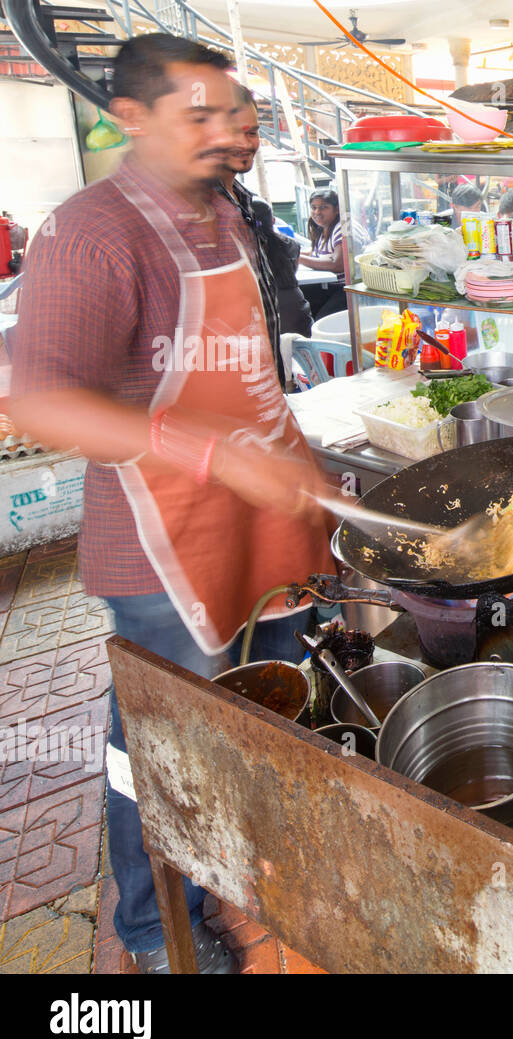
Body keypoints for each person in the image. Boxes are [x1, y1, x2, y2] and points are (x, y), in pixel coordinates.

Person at [8, 32, 336, 974]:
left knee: (268, 705)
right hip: (164, 541)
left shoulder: (221, 215)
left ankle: (244, 856)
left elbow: (247, 374)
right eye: (198, 115)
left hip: (271, 517)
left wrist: (297, 458)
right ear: (130, 118)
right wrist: (210, 453)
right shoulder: (90, 232)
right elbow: (38, 398)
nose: (224, 132)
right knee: (158, 748)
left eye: (229, 113)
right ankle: (157, 927)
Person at [219, 83, 312, 376]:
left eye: (252, 132)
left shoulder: (245, 200)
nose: (246, 143)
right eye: (233, 133)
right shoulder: (197, 208)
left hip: (264, 367)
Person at [299, 188, 346, 318]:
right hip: (328, 288)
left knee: (319, 319)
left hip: (345, 290)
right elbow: (316, 254)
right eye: (314, 207)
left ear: (336, 209)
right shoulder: (323, 228)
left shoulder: (342, 228)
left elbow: (338, 264)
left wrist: (297, 258)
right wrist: (293, 254)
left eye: (324, 207)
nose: (317, 212)